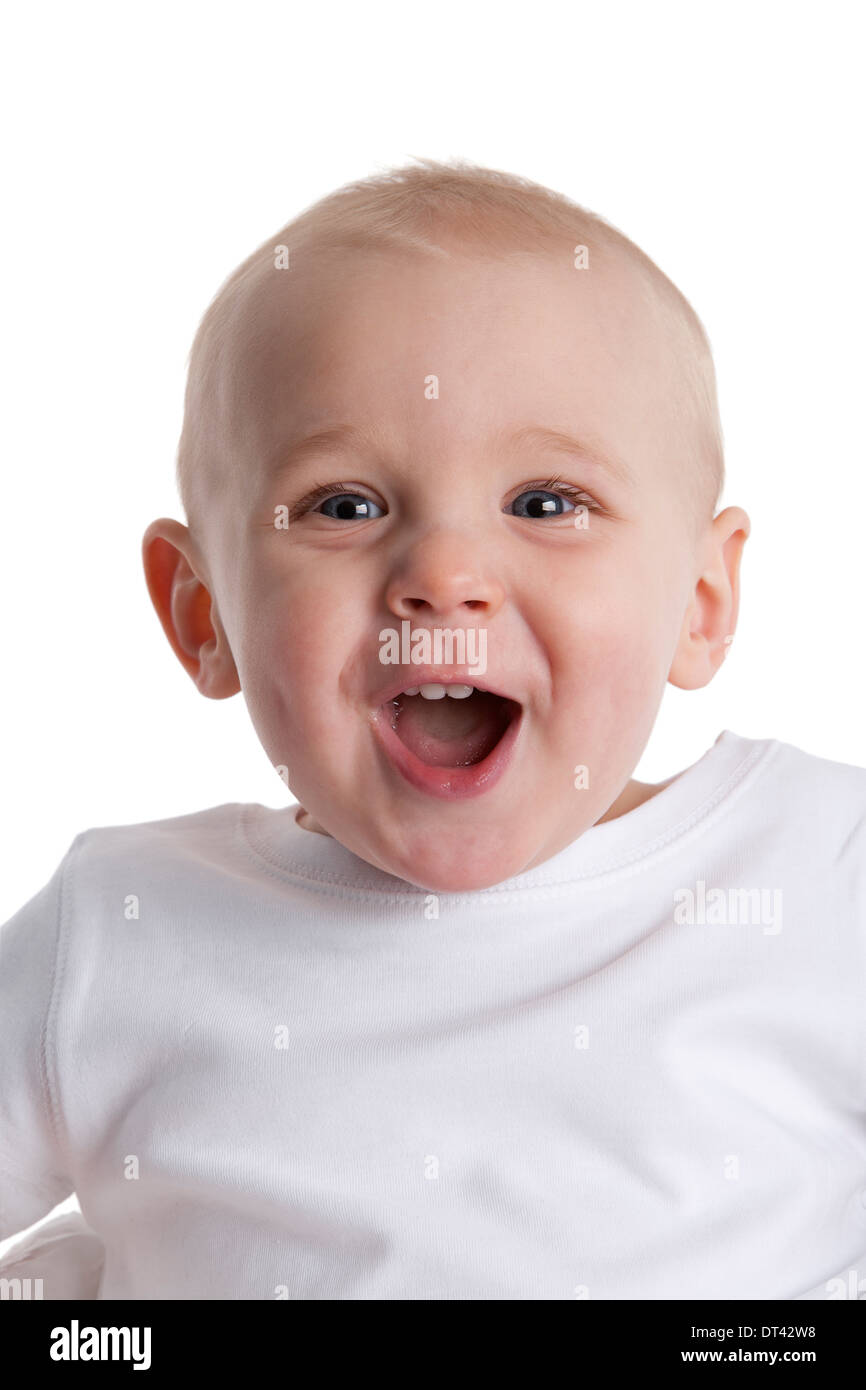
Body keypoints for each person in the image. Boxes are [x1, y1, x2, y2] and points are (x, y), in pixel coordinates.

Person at [2, 159, 864, 1299]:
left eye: (545, 503)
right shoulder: (117, 930)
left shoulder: (822, 869)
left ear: (699, 604)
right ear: (202, 613)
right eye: (344, 507)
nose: (444, 574)